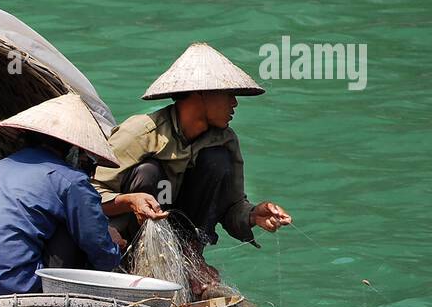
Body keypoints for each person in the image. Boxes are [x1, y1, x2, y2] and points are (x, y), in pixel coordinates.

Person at [93, 43, 291, 257]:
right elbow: (89, 194)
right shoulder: (141, 132)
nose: (234, 103)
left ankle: (190, 254)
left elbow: (230, 207)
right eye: (228, 94)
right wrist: (130, 201)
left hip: (179, 232)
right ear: (200, 93)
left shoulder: (223, 141)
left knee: (217, 160)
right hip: (129, 234)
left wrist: (253, 215)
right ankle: (140, 255)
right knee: (148, 171)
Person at [0, 93, 124, 298]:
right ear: (72, 150)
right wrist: (114, 246)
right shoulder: (71, 180)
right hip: (15, 286)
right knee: (72, 228)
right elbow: (102, 254)